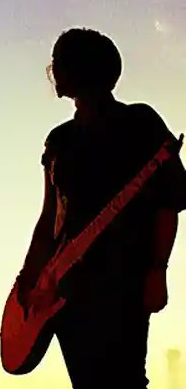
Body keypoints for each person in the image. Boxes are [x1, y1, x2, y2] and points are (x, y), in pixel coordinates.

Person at [16, 27, 186, 389]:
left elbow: (168, 203)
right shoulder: (59, 139)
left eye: (59, 62)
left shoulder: (140, 121)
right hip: (67, 290)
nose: (53, 71)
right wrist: (27, 279)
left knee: (124, 379)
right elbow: (50, 219)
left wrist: (158, 269)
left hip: (123, 279)